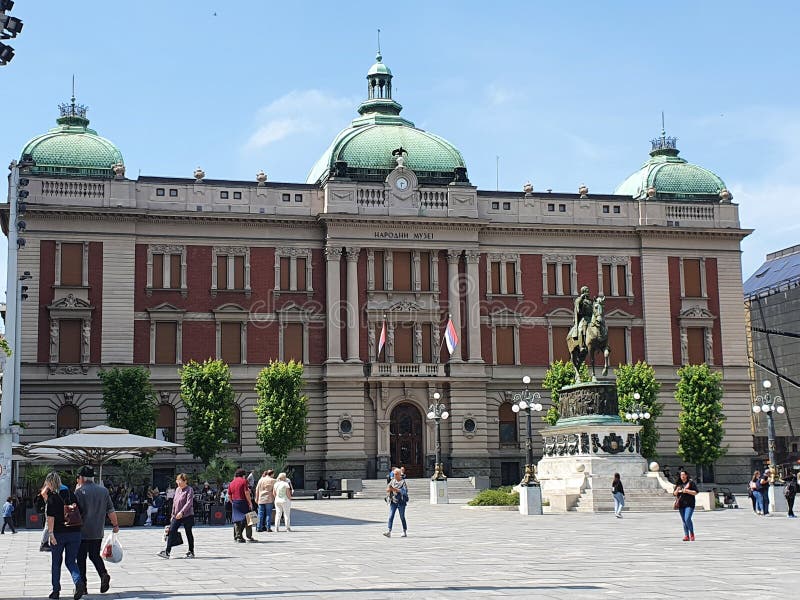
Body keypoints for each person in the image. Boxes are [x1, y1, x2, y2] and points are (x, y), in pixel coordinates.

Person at [74, 466, 118, 595]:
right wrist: (115, 525)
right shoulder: (103, 491)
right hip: (97, 531)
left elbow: (74, 511)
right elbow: (111, 510)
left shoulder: (79, 492)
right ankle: (103, 574)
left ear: (81, 478)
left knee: (81, 558)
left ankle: (84, 586)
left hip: (82, 531)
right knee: (94, 555)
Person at [44, 471, 85, 600]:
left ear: (50, 483)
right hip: (75, 532)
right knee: (71, 561)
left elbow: (50, 518)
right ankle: (78, 582)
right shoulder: (70, 494)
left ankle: (56, 591)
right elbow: (81, 511)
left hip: (59, 534)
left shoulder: (52, 498)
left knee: (56, 563)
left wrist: (51, 534)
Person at [158, 473, 195, 559]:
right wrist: (173, 515)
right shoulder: (177, 489)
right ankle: (167, 552)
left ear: (185, 481)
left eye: (180, 481)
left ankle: (191, 551)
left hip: (187, 515)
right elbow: (174, 503)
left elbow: (189, 503)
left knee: (188, 532)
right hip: (176, 515)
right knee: (171, 531)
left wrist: (182, 512)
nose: (178, 483)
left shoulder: (189, 490)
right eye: (177, 481)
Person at [228, 468, 255, 543]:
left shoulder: (232, 482)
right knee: (249, 518)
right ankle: (249, 536)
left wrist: (232, 502)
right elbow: (246, 492)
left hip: (235, 502)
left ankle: (238, 537)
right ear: (243, 475)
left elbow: (229, 495)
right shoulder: (244, 481)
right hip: (243, 502)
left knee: (236, 520)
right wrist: (250, 503)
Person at [383, 468, 408, 538]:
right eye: (394, 474)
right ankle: (389, 531)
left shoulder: (403, 482)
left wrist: (395, 489)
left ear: (400, 474)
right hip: (393, 501)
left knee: (402, 517)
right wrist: (389, 489)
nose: (395, 475)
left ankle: (404, 530)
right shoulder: (392, 481)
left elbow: (404, 491)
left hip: (401, 502)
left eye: (396, 474)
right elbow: (387, 489)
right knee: (391, 516)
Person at [673, 470, 698, 541]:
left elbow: (696, 492)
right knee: (684, 520)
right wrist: (677, 490)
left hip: (690, 504)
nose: (682, 476)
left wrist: (687, 491)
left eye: (683, 475)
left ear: (686, 475)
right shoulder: (679, 484)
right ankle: (686, 535)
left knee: (687, 519)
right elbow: (674, 494)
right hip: (681, 504)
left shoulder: (691, 483)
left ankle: (692, 534)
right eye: (681, 475)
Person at [572, 285, 593, 351]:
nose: (588, 292)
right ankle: (582, 345)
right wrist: (581, 297)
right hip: (584, 318)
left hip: (591, 318)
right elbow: (577, 306)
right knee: (581, 329)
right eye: (586, 291)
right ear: (583, 292)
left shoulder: (590, 301)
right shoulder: (579, 300)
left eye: (588, 291)